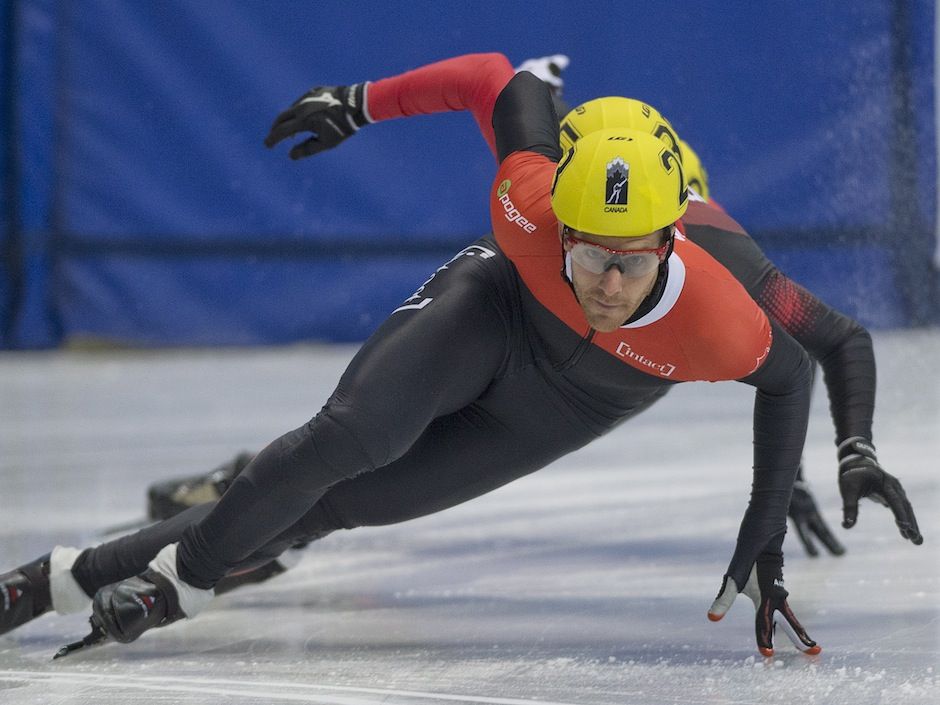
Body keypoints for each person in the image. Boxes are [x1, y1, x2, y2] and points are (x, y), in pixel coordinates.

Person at [0, 53, 922, 660]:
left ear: (672, 239)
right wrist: (359, 103)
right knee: (349, 438)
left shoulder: (729, 299)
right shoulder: (531, 200)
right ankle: (131, 575)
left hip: (579, 401)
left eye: (632, 262)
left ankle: (93, 561)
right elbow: (496, 78)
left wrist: (803, 482)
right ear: (559, 218)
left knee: (341, 503)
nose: (607, 283)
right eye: (587, 254)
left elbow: (812, 358)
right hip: (498, 310)